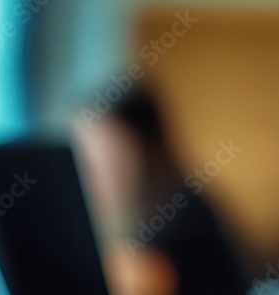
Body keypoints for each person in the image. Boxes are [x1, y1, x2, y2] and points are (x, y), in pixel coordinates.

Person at [72, 86, 249, 295]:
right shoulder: (137, 217)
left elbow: (141, 279)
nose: (87, 175)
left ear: (142, 149)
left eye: (95, 162)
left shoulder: (181, 211)